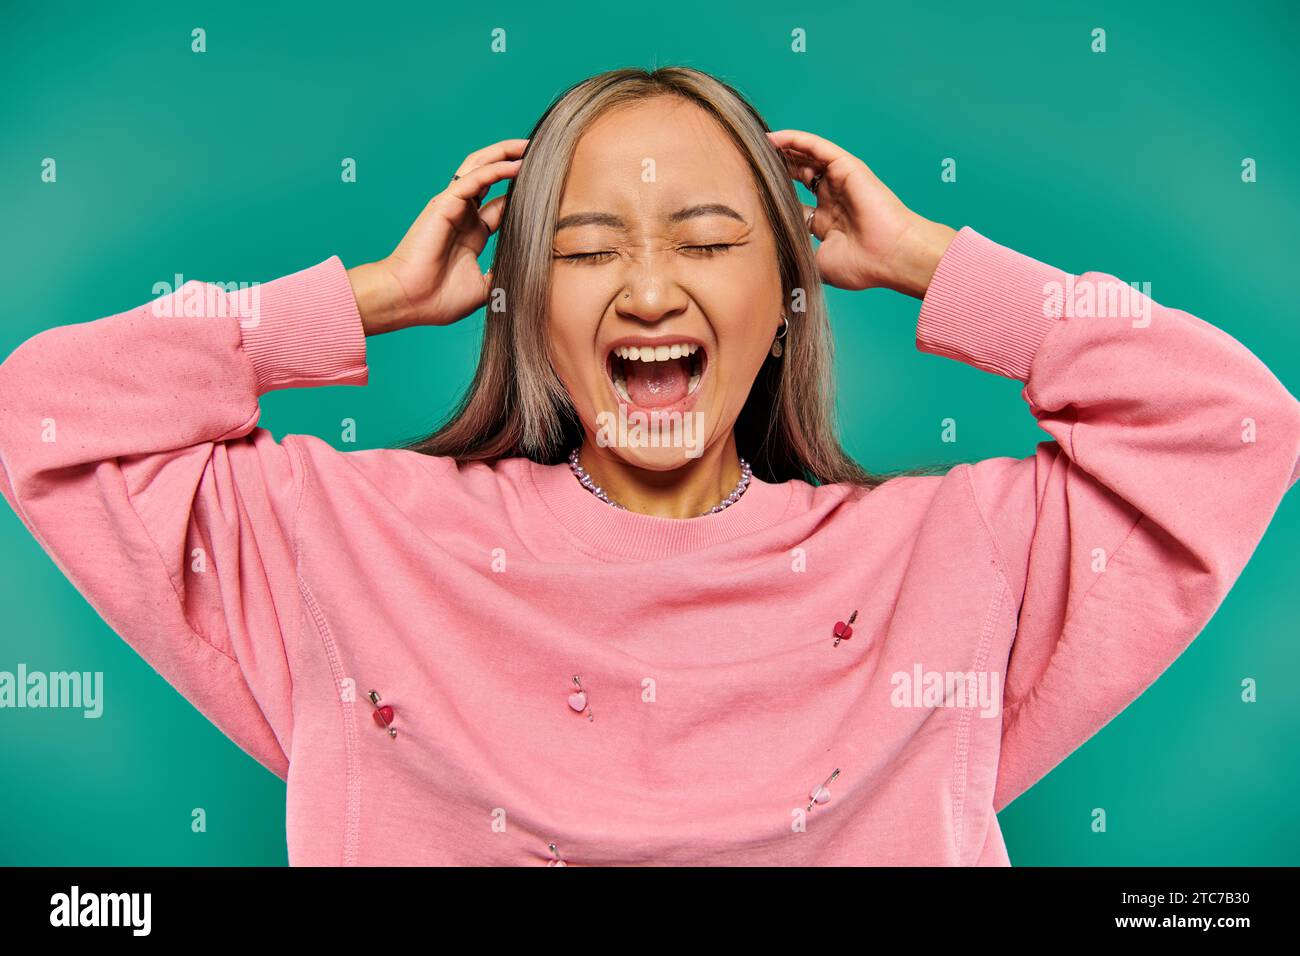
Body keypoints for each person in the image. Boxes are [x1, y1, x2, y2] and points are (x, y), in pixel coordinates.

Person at [1, 66, 1296, 866]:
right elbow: (43, 410)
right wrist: (368, 296)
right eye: (583, 250)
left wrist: (931, 260)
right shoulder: (346, 540)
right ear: (525, 302)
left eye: (710, 241)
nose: (651, 289)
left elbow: (1234, 425)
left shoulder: (950, 561)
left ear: (787, 297)